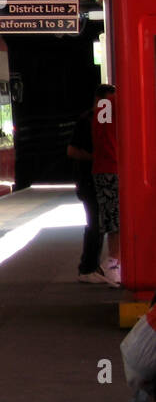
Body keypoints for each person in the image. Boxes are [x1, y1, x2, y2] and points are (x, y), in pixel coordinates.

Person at [68, 85, 108, 282]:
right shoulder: (86, 121)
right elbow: (72, 151)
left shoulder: (102, 119)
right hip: (88, 180)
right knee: (95, 223)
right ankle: (87, 268)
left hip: (97, 179)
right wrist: (96, 157)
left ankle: (92, 266)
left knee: (98, 223)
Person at [91, 84, 119, 286]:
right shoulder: (110, 105)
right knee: (116, 218)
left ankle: (113, 263)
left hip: (105, 168)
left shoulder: (102, 107)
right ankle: (111, 264)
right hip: (113, 168)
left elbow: (101, 139)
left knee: (112, 218)